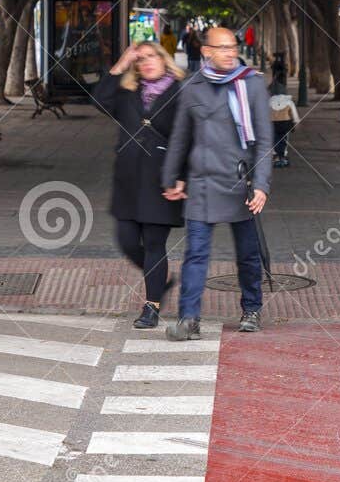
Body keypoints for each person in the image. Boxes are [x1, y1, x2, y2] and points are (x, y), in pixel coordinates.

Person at [161, 26, 272, 338]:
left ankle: (252, 309)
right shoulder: (193, 86)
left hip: (242, 183)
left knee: (248, 254)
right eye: (221, 47)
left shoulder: (251, 84)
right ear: (206, 51)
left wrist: (262, 184)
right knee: (195, 253)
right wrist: (172, 176)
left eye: (232, 47)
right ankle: (189, 318)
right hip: (202, 184)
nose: (229, 52)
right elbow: (180, 138)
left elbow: (264, 141)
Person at [92, 39, 184, 329]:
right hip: (128, 180)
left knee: (155, 243)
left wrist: (182, 176)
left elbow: (191, 139)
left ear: (163, 58)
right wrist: (121, 64)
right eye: (140, 59)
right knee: (127, 240)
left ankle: (151, 306)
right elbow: (98, 100)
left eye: (151, 56)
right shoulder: (128, 92)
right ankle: (159, 278)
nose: (146, 62)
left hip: (162, 180)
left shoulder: (182, 92)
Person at [268, 73, 299, 166]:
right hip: (286, 123)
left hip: (272, 123)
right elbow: (294, 114)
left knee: (274, 139)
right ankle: (283, 155)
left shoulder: (268, 101)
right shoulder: (289, 102)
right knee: (284, 139)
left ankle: (275, 155)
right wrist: (296, 122)